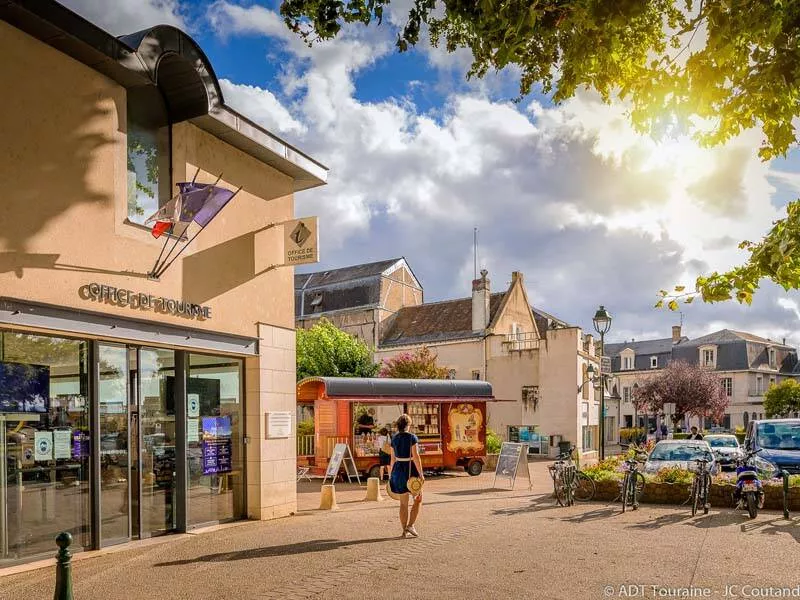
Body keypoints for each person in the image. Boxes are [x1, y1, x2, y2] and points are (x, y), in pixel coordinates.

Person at [389, 414, 424, 538]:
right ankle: (411, 525)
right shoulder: (412, 438)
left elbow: (392, 459)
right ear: (408, 425)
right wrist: (421, 474)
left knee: (403, 503)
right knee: (418, 499)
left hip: (398, 470)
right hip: (411, 470)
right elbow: (416, 456)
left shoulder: (394, 438)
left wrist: (390, 476)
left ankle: (404, 530)